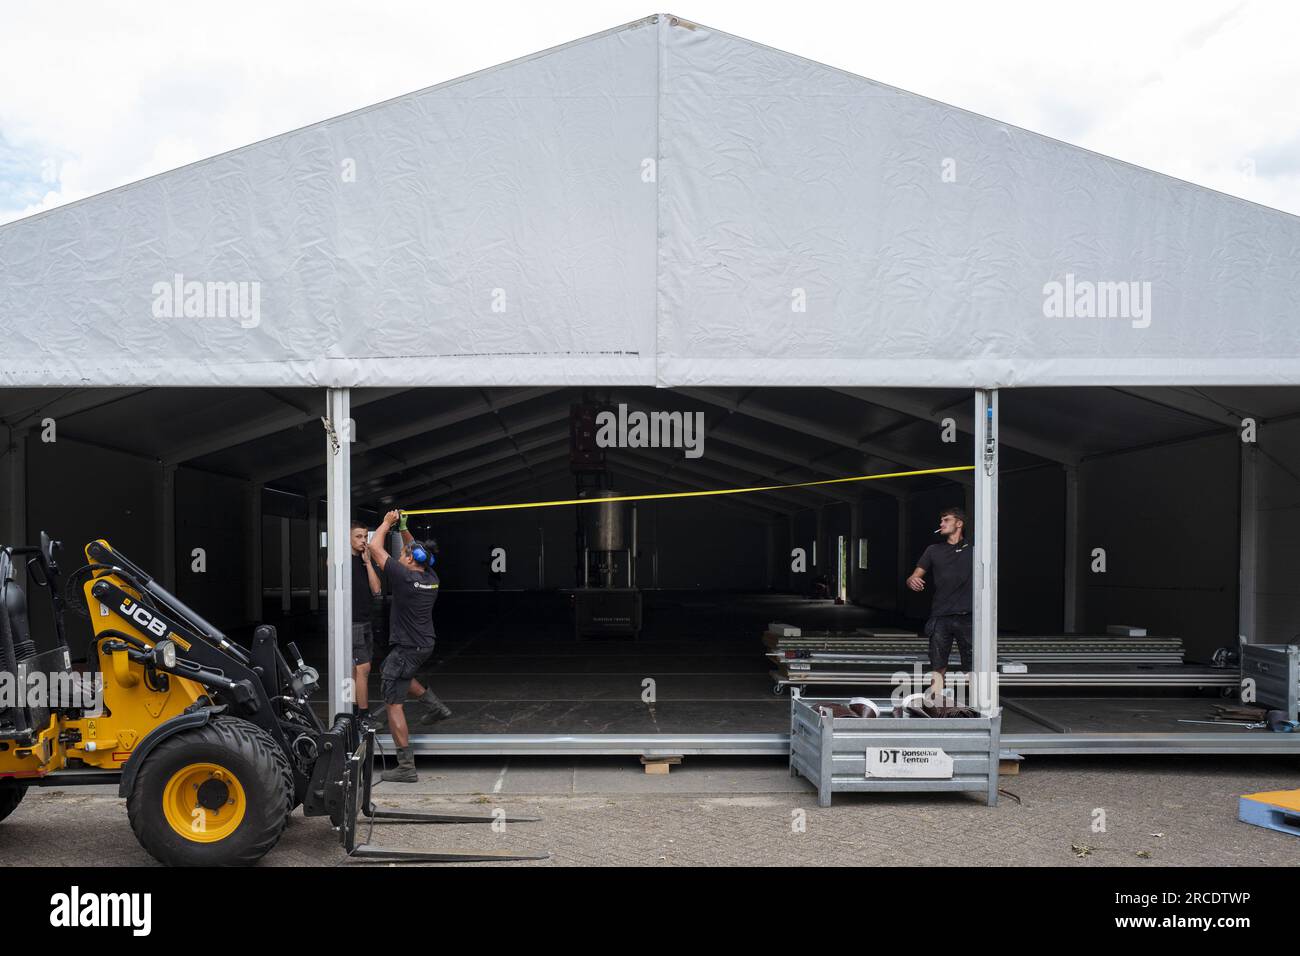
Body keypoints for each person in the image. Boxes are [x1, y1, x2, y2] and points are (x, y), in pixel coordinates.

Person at [367, 509, 452, 783]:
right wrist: (404, 528)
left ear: (409, 561)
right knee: (398, 673)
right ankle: (435, 706)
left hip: (407, 647)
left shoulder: (404, 578)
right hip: (423, 645)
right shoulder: (431, 577)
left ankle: (406, 766)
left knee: (393, 703)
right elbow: (417, 551)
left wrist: (387, 522)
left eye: (405, 553)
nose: (402, 554)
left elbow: (373, 547)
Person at [906, 507, 973, 706]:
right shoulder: (933, 550)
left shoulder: (974, 547)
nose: (941, 524)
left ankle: (978, 706)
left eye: (946, 520)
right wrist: (912, 581)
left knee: (972, 664)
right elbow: (914, 576)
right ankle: (936, 702)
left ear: (959, 524)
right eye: (941, 521)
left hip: (969, 615)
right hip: (941, 615)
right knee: (937, 663)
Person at [350, 519, 382, 725]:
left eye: (365, 536)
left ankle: (353, 711)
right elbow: (329, 566)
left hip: (365, 621)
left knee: (357, 670)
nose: (363, 541)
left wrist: (369, 562)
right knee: (364, 669)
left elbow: (377, 589)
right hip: (351, 624)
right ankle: (363, 714)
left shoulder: (364, 561)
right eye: (358, 536)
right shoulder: (341, 560)